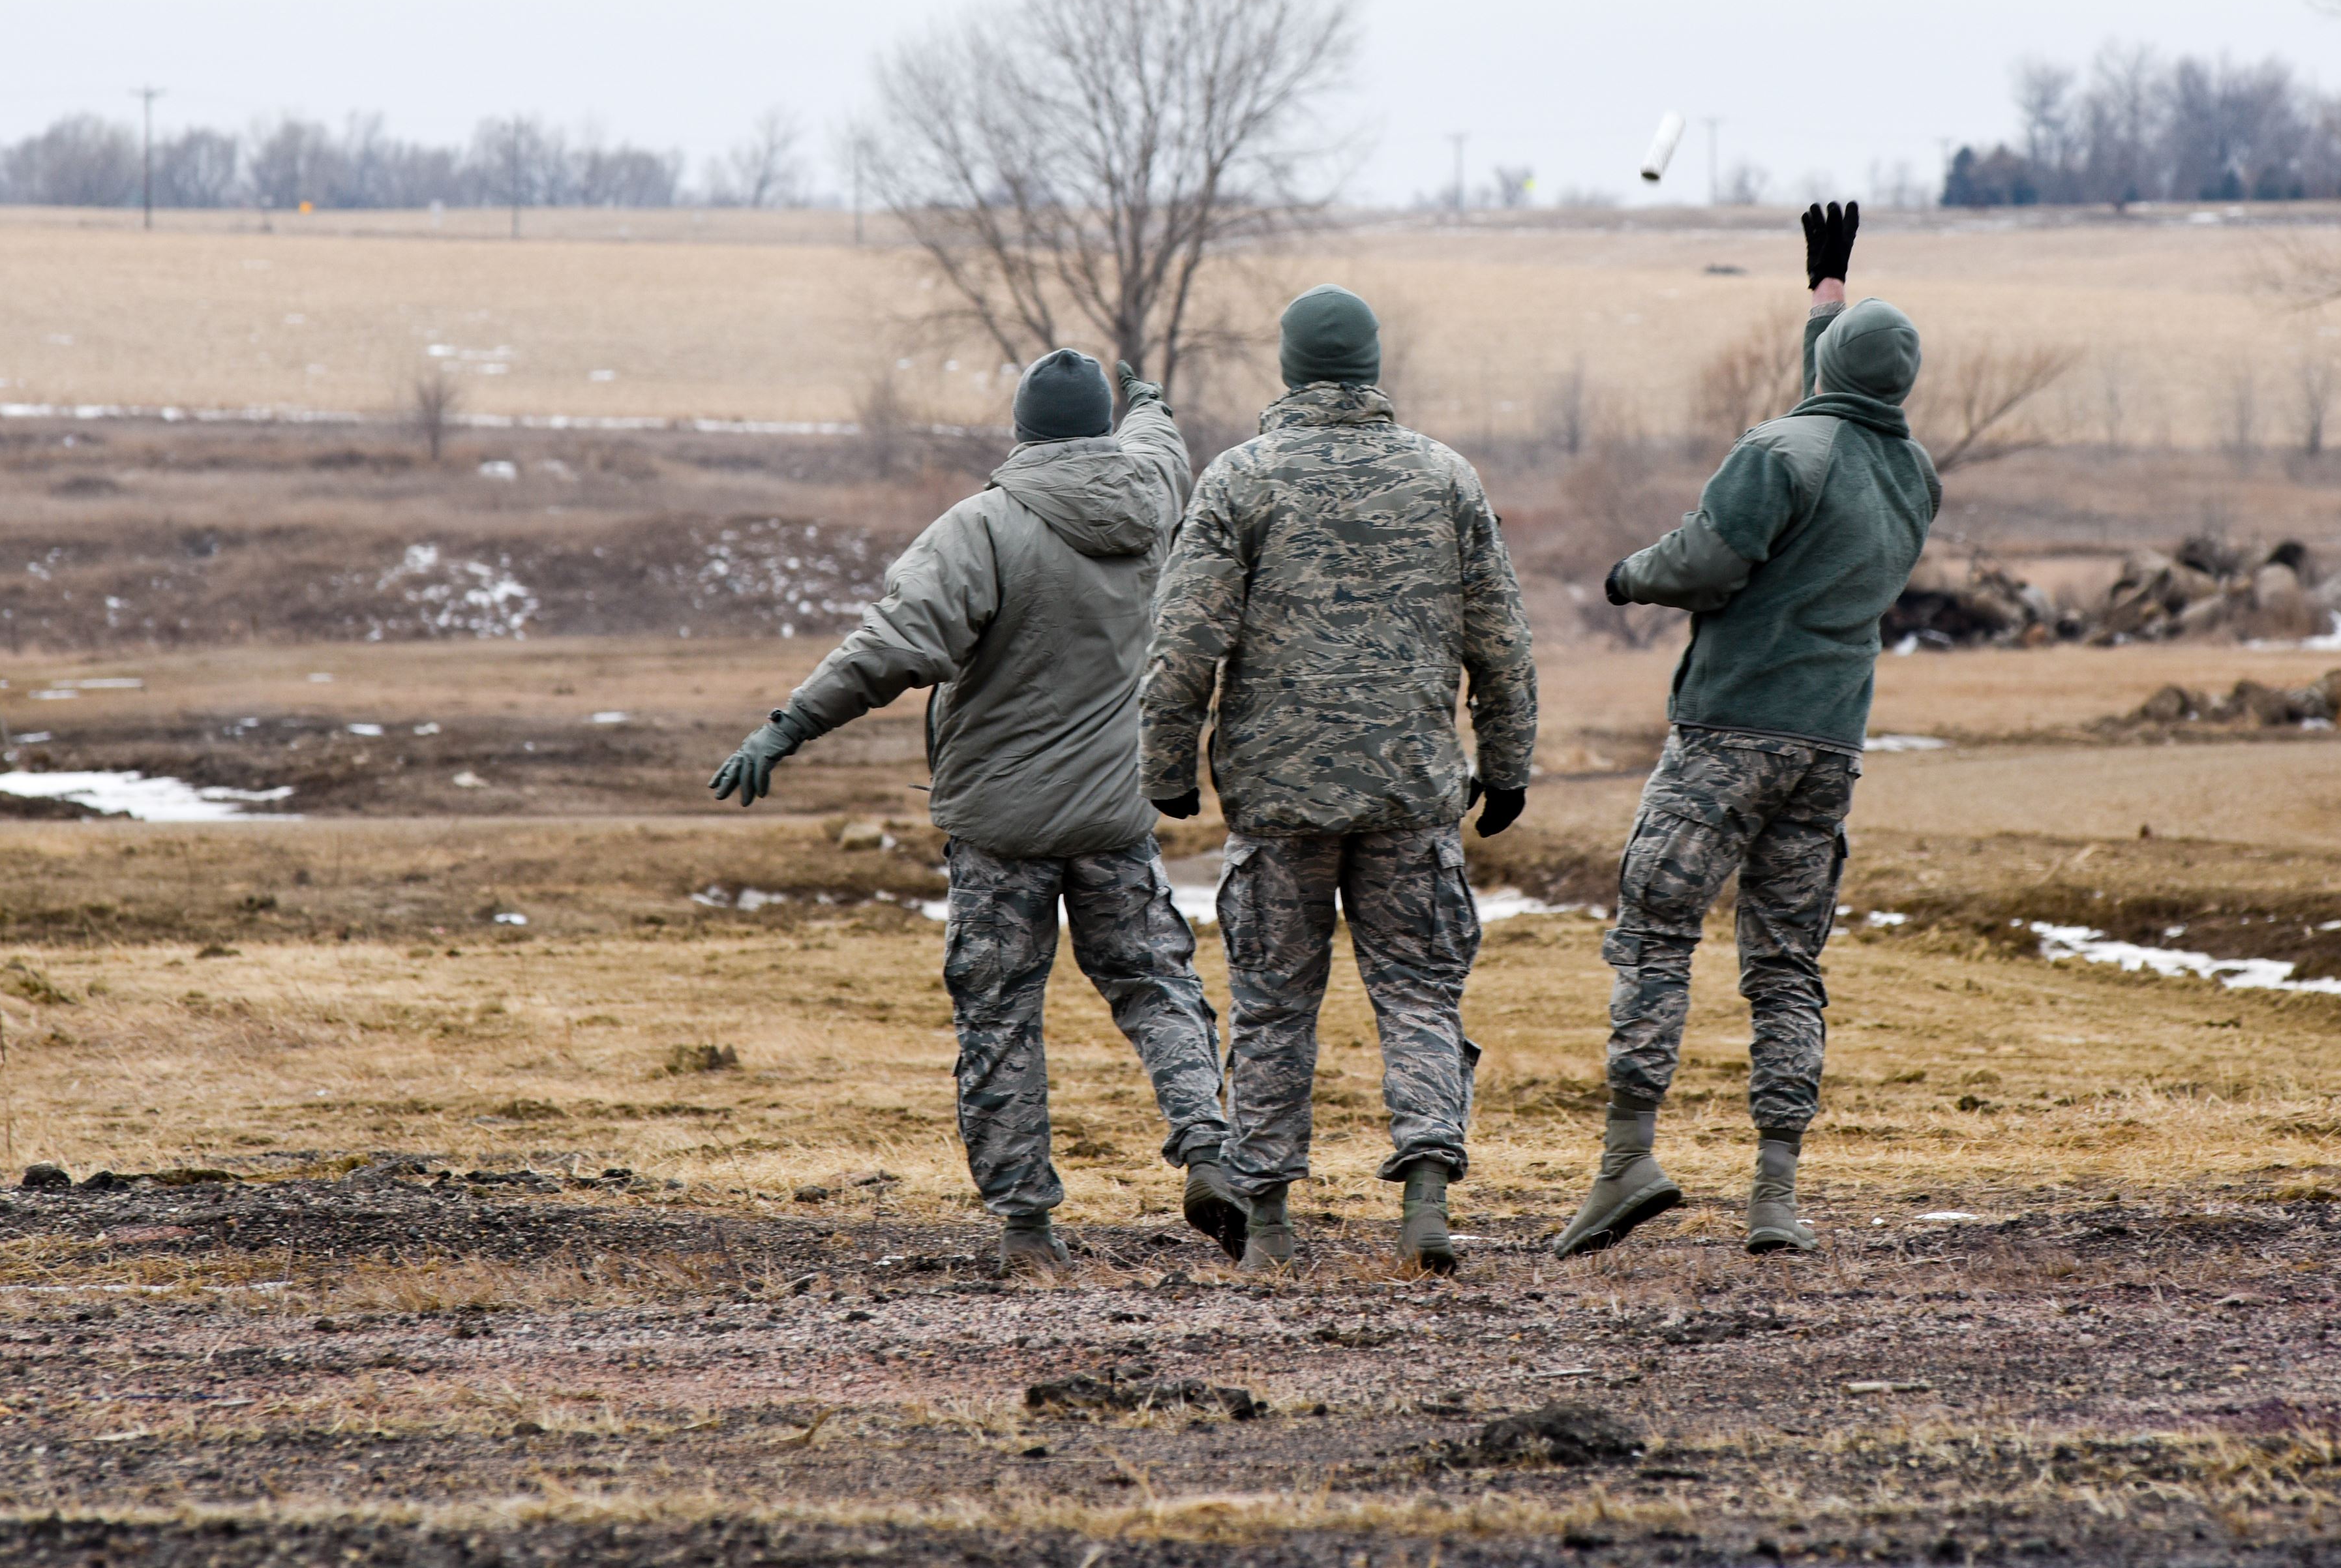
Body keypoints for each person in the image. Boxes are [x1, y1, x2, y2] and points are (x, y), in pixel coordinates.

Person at [709, 349, 1246, 1280]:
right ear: (1103, 429)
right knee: (1159, 991)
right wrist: (1151, 402)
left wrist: (786, 728)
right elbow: (1161, 443)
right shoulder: (1155, 498)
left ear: (1022, 431)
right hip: (1116, 814)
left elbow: (888, 649)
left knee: (1000, 1019)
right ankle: (1207, 1149)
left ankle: (1029, 1228)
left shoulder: (983, 528)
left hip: (1000, 830)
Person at [1556, 202, 1939, 1259]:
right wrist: (1829, 293)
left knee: (1653, 930)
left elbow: (1710, 558)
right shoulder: (1909, 476)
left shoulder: (1778, 450)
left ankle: (1627, 1161)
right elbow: (1842, 405)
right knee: (1784, 963)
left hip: (1729, 731)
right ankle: (1777, 1196)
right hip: (1831, 746)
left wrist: (1631, 577)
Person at [1137, 284, 1536, 1273]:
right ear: (1371, 363)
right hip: (1412, 793)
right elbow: (1503, 642)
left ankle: (1269, 1224)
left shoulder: (1240, 480)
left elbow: (1185, 640)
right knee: (1419, 996)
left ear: (1287, 365)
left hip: (1279, 800)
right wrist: (1509, 766)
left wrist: (1167, 765)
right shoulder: (1445, 478)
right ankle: (1428, 1203)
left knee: (1274, 1003)